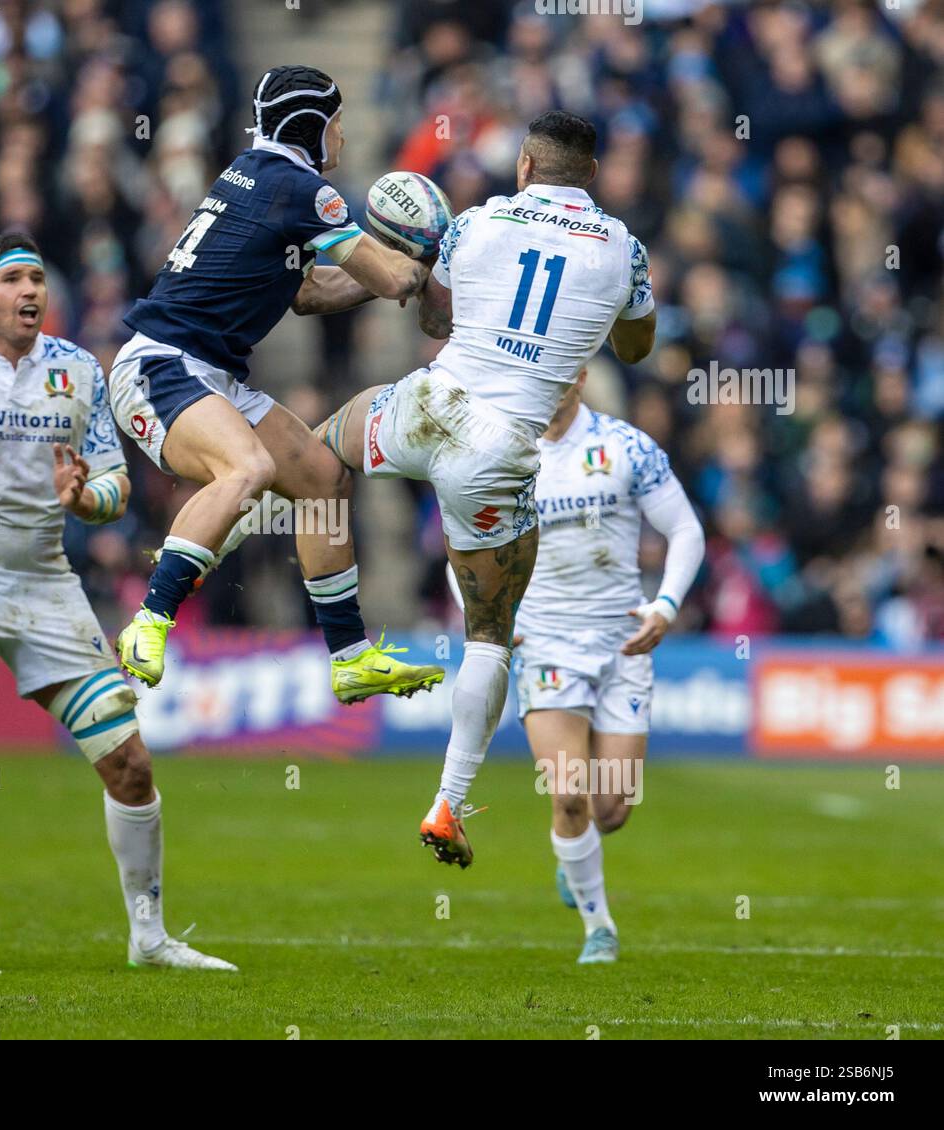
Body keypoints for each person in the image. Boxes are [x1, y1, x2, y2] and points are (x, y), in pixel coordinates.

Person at [0, 232, 235, 972]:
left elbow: (113, 485)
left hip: (43, 579)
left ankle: (149, 938)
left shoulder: (76, 371)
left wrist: (87, 499)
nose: (31, 292)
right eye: (14, 280)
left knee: (129, 763)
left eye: (39, 278)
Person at [312, 111, 658, 871]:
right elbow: (637, 346)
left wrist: (426, 254)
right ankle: (448, 801)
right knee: (490, 634)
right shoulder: (623, 250)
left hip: (429, 403)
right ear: (591, 176)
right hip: (496, 452)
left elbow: (434, 314)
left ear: (526, 166)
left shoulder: (477, 219)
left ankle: (181, 581)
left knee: (311, 458)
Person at [108, 64, 443, 705]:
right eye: (337, 123)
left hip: (206, 370)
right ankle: (149, 620)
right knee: (248, 469)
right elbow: (391, 279)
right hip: (162, 365)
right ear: (313, 128)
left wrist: (399, 270)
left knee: (320, 475)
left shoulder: (257, 176)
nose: (342, 137)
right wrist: (429, 251)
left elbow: (311, 295)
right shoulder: (307, 192)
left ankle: (350, 657)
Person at [448, 370, 705, 964]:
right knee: (569, 796)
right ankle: (600, 927)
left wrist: (666, 605)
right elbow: (460, 554)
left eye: (563, 374)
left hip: (624, 644)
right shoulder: (500, 455)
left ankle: (575, 849)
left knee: (609, 809)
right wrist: (487, 615)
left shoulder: (626, 447)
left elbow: (686, 530)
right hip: (547, 644)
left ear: (583, 377)